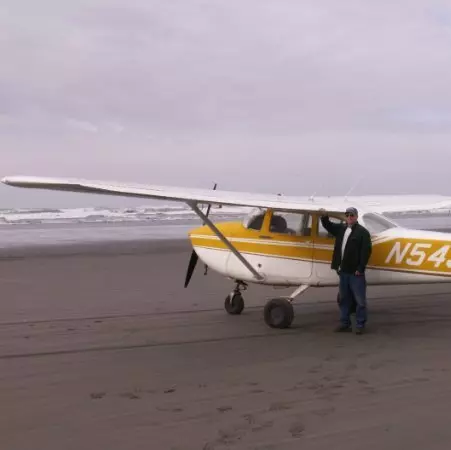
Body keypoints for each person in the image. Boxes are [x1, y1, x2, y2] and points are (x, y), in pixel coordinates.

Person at [319, 207, 372, 334]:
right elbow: (328, 226)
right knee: (344, 298)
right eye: (347, 215)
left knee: (360, 300)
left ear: (356, 216)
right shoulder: (341, 229)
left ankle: (360, 324)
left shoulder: (363, 232)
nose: (349, 217)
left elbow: (366, 251)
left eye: (352, 215)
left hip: (355, 273)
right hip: (343, 271)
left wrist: (360, 268)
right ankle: (344, 323)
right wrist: (324, 216)